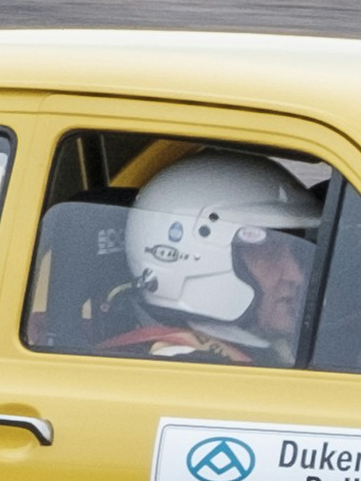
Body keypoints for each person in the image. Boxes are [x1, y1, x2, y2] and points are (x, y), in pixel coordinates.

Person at [93, 152, 320, 364]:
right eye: (270, 253)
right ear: (193, 257)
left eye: (294, 251)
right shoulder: (181, 373)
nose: (296, 275)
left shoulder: (262, 352)